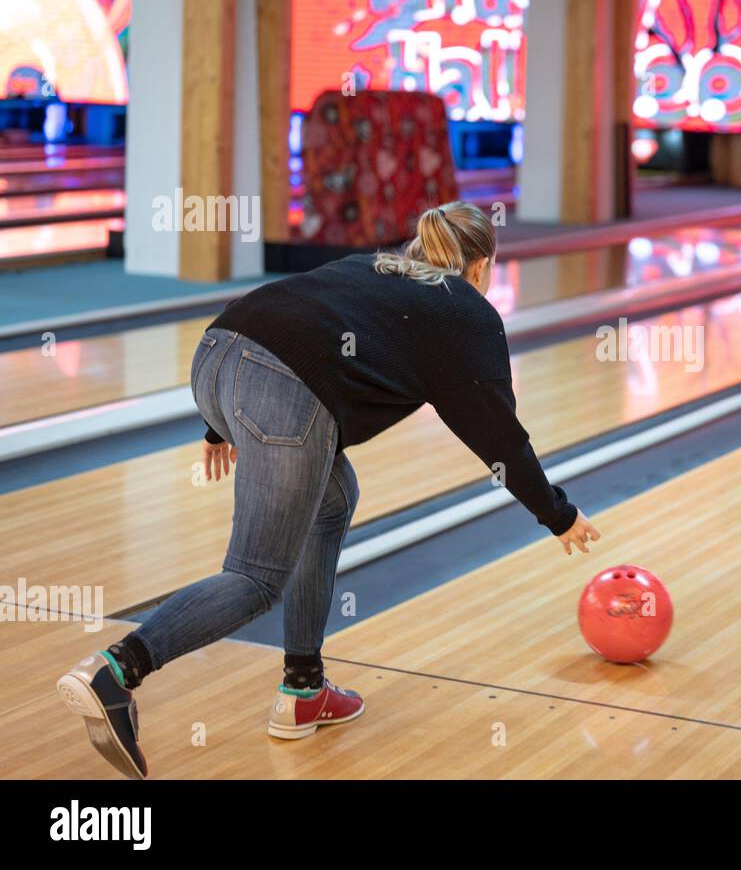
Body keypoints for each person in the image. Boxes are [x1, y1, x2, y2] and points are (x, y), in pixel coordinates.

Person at [56, 201, 601, 778]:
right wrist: (556, 513)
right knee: (256, 578)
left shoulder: (374, 267)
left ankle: (303, 689)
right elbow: (499, 437)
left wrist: (220, 421)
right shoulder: (467, 313)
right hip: (281, 396)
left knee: (334, 499)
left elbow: (280, 315)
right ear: (483, 266)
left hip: (213, 359)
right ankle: (117, 670)